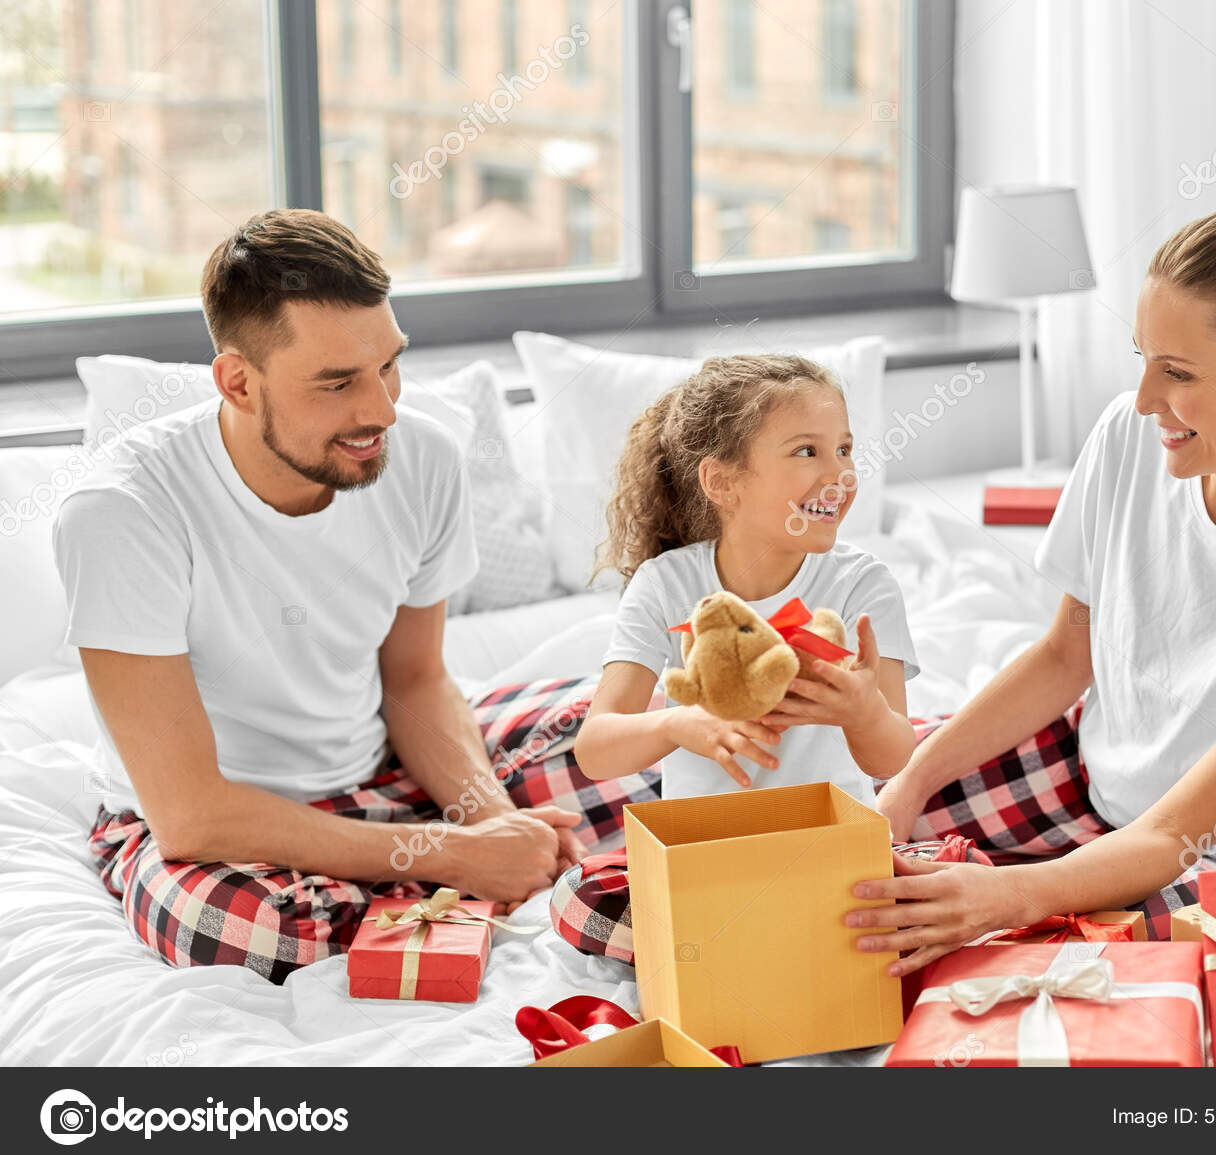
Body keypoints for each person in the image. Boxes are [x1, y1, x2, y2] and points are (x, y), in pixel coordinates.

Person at [850, 202, 1216, 976]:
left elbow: (1175, 839)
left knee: (973, 968)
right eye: (1144, 359)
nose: (1142, 398)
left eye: (1178, 373)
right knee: (839, 828)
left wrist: (1003, 897)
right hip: (1096, 789)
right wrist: (913, 779)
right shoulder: (1129, 438)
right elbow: (1066, 655)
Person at [56, 209, 591, 984]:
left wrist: (493, 819)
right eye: (337, 383)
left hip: (383, 772)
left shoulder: (427, 458)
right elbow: (190, 812)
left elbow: (415, 681)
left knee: (643, 739)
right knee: (238, 932)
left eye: (388, 366)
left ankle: (411, 900)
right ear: (238, 381)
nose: (379, 410)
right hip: (220, 826)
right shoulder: (122, 512)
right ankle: (439, 894)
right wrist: (456, 853)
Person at [574, 354, 918, 805]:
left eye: (844, 449)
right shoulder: (665, 583)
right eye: (806, 451)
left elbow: (890, 761)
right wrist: (677, 723)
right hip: (706, 851)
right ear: (721, 482)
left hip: (826, 846)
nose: (841, 475)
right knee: (577, 882)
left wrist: (865, 712)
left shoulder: (863, 584)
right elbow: (595, 750)